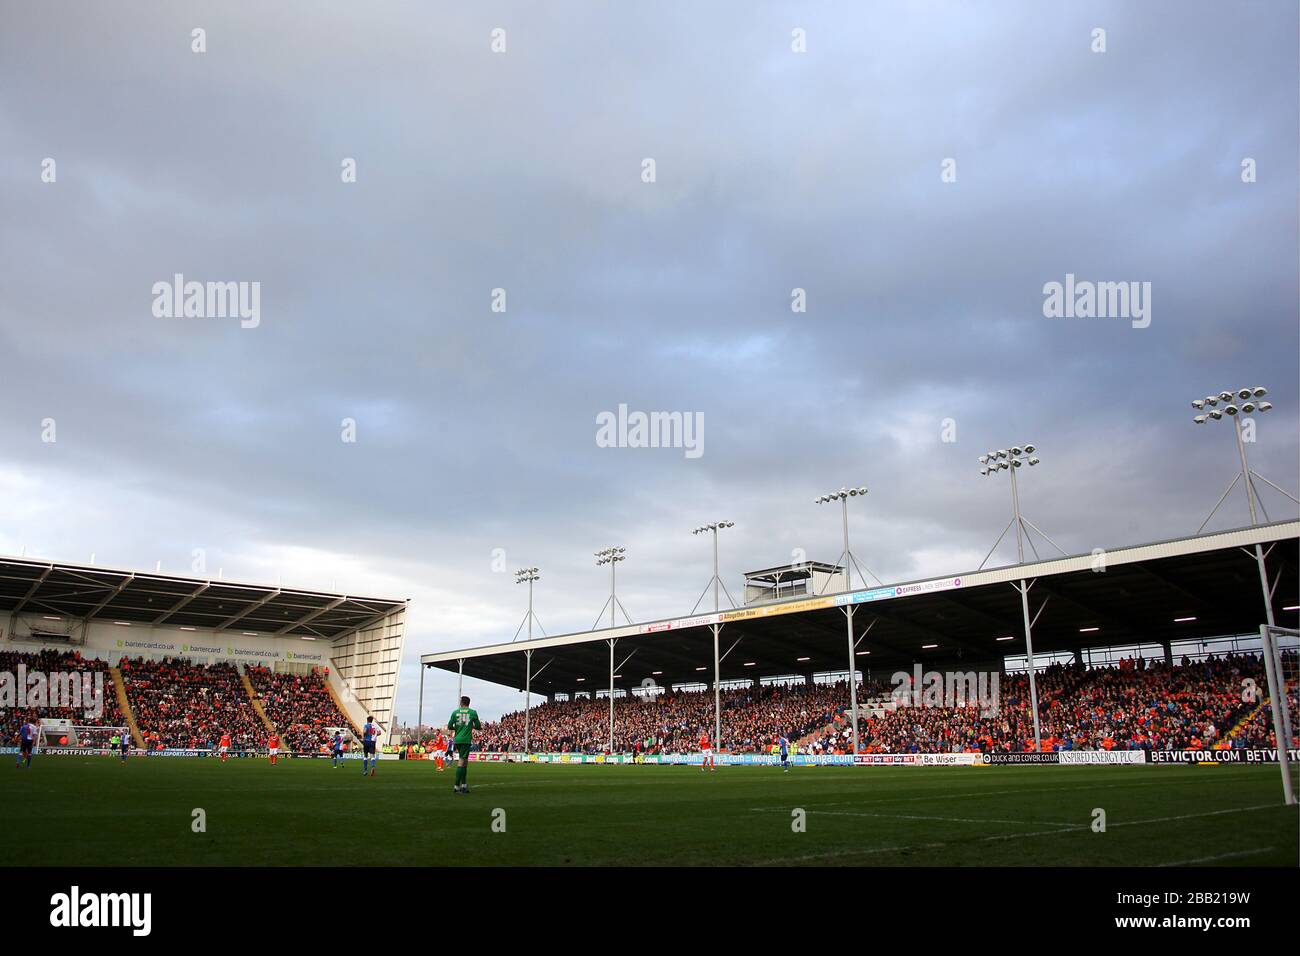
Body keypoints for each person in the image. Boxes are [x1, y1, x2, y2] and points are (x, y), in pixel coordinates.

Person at [448, 696, 481, 794]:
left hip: (457, 739)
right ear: (468, 703)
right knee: (462, 762)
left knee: (465, 762)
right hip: (466, 740)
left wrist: (458, 728)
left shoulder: (455, 712)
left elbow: (450, 726)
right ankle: (456, 786)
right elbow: (479, 727)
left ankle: (464, 785)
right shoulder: (473, 712)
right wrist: (471, 725)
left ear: (461, 702)